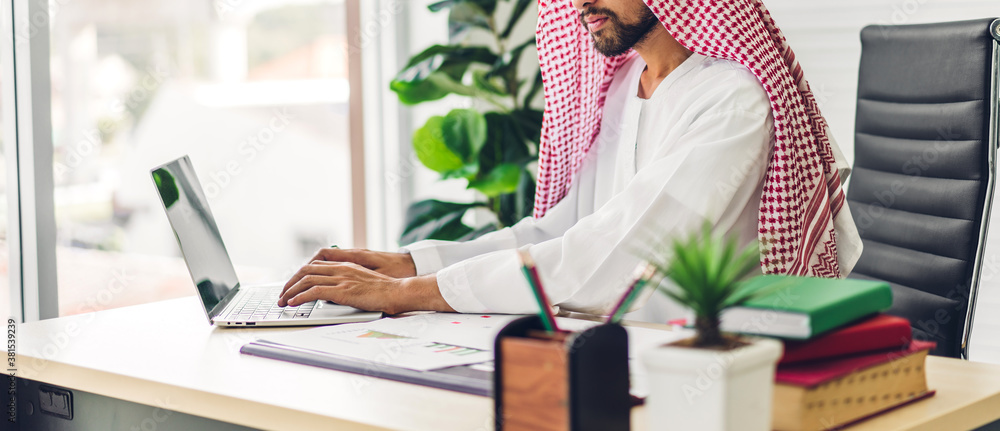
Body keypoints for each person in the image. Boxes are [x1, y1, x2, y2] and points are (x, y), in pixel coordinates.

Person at [277, 0, 863, 319]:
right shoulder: (624, 83)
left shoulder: (733, 98)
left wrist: (412, 294)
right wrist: (408, 262)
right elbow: (561, 230)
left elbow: (616, 252)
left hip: (698, 373)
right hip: (614, 347)